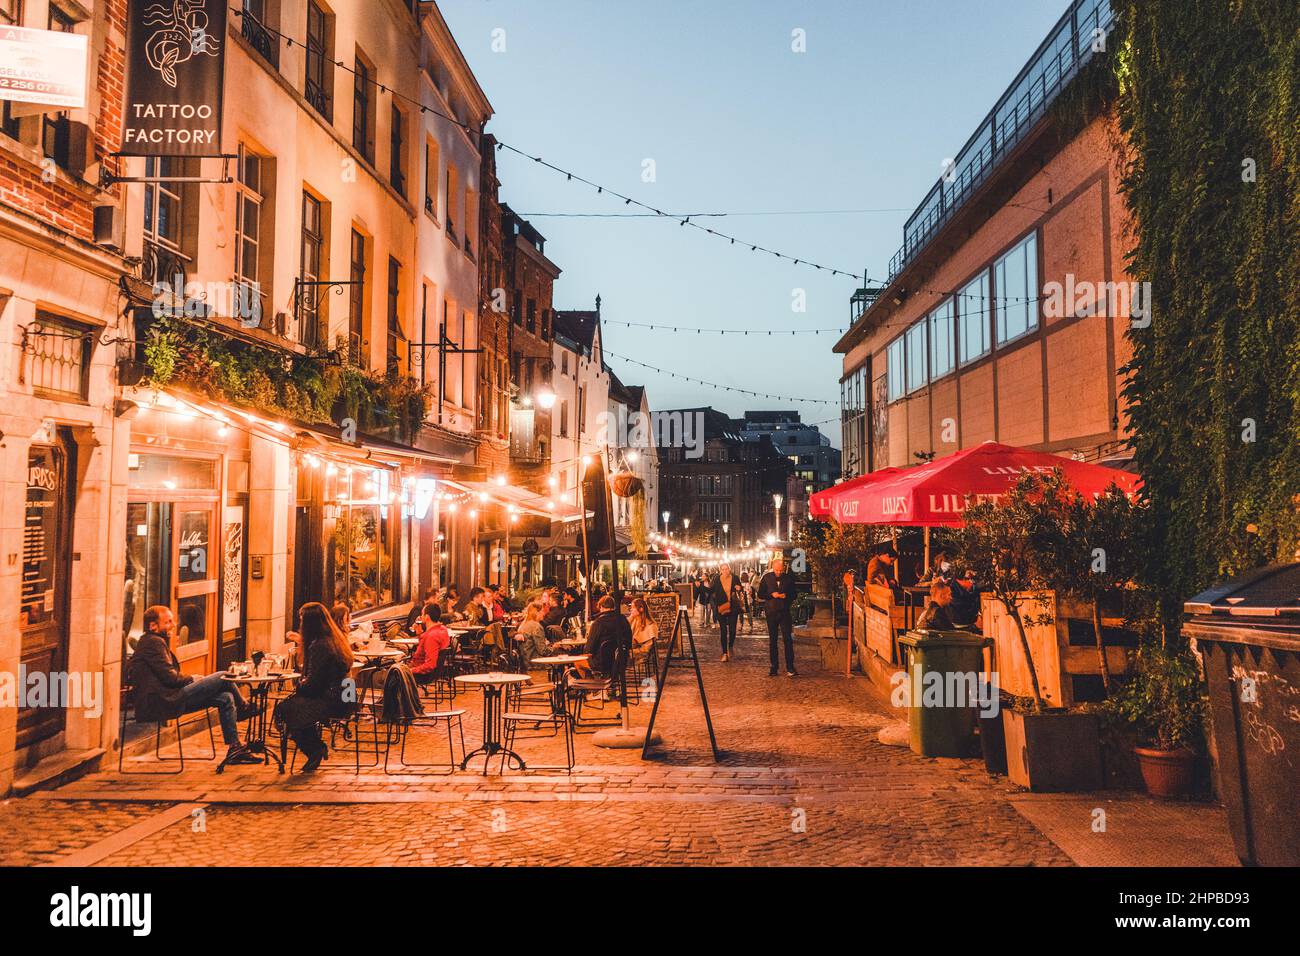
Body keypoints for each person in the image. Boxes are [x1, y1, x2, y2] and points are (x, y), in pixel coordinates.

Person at [126, 605, 260, 766]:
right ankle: (244, 707)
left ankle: (235, 748)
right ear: (153, 626)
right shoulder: (152, 643)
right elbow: (171, 678)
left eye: (173, 620)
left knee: (225, 698)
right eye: (168, 622)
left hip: (169, 696)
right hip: (162, 701)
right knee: (223, 676)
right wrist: (192, 678)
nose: (174, 624)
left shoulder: (154, 641)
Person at [275, 602, 355, 773]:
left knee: (283, 709)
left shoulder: (320, 645)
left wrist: (299, 686)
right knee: (293, 707)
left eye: (302, 620)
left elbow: (314, 684)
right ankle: (314, 747)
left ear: (310, 623)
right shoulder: (335, 639)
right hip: (346, 696)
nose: (301, 624)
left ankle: (314, 748)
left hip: (334, 700)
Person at [757, 556, 797, 677]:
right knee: (772, 640)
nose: (779, 572)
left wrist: (787, 596)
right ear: (773, 568)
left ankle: (790, 667)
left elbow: (794, 594)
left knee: (787, 640)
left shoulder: (788, 579)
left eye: (781, 570)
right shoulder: (767, 578)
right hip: (771, 612)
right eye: (777, 570)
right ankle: (774, 666)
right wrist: (771, 594)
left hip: (784, 612)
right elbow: (760, 594)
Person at [583, 594, 633, 678]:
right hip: (621, 661)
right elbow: (629, 641)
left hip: (602, 663)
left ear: (601, 607)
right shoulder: (623, 619)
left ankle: (592, 687)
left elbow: (589, 649)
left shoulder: (598, 622)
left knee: (579, 661)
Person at [409, 602, 452, 684]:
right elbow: (425, 649)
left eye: (422, 614)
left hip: (422, 675)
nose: (420, 617)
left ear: (427, 617)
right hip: (431, 673)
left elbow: (430, 665)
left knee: (385, 678)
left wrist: (410, 670)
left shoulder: (432, 636)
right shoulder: (442, 629)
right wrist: (420, 634)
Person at [711, 563, 743, 661]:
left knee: (732, 630)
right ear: (720, 570)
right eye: (723, 569)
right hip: (722, 606)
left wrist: (739, 588)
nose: (725, 571)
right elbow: (711, 590)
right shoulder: (717, 579)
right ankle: (724, 653)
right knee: (723, 631)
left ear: (729, 569)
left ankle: (730, 645)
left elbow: (740, 588)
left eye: (726, 569)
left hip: (733, 607)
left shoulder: (735, 578)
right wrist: (701, 586)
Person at [514, 600, 553, 666]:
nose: (544, 614)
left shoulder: (523, 625)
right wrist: (554, 647)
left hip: (525, 662)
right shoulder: (536, 626)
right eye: (542, 611)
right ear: (537, 612)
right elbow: (543, 651)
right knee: (560, 653)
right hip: (536, 663)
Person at [628, 597, 658, 662]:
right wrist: (631, 617)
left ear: (641, 609)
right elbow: (624, 627)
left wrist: (631, 651)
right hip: (633, 650)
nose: (631, 610)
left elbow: (646, 649)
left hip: (641, 655)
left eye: (633, 608)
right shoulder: (635, 620)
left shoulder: (650, 625)